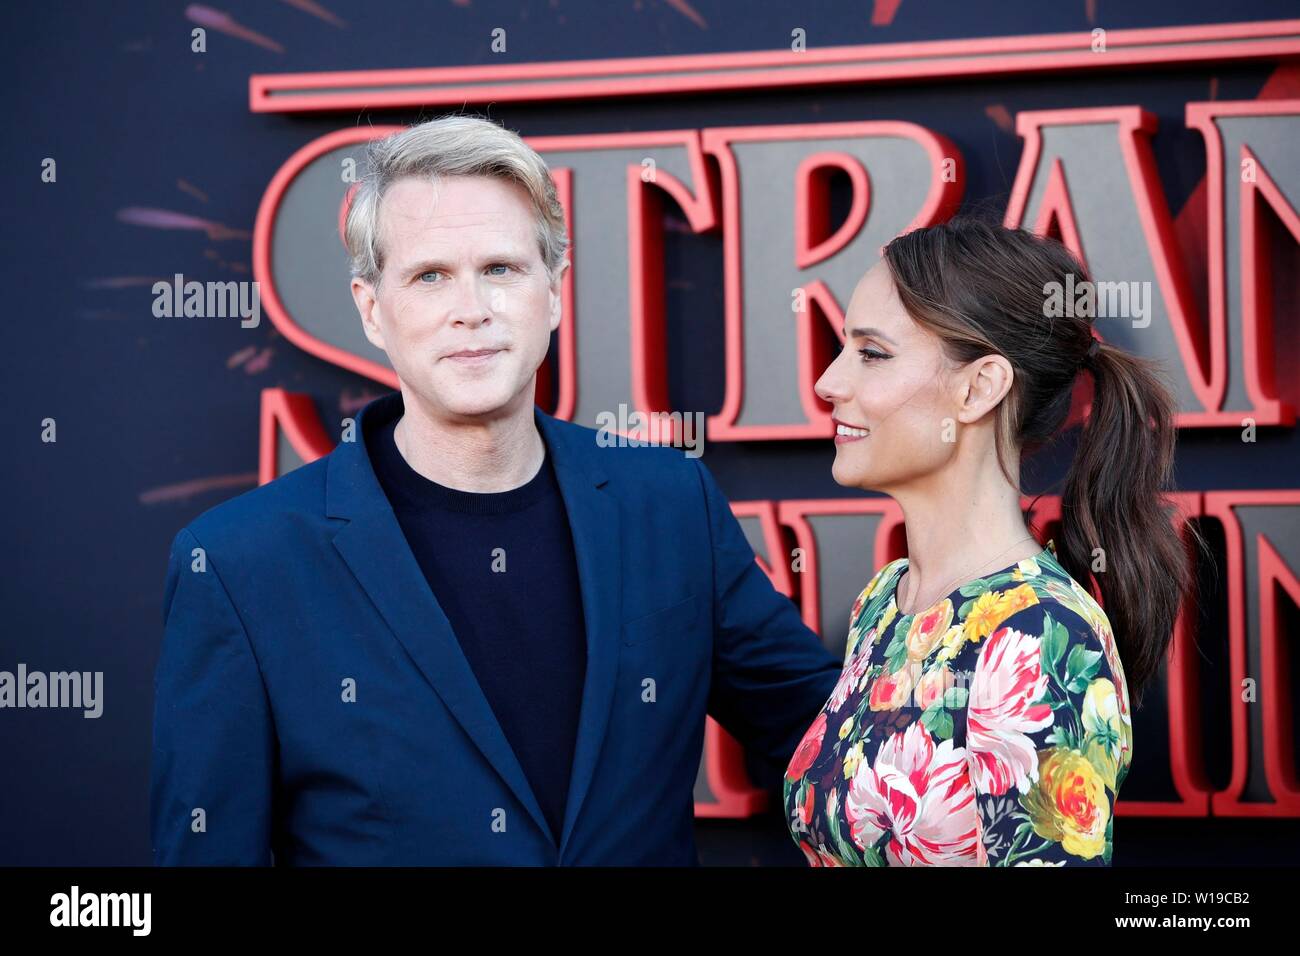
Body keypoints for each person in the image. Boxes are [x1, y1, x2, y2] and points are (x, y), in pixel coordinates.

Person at [151, 114, 841, 865]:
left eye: (502, 270)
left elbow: (832, 741)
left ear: (554, 291)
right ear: (372, 309)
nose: (471, 309)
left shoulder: (669, 505)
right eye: (430, 276)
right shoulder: (242, 564)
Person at [784, 218, 1195, 866]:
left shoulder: (1040, 637)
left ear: (979, 387)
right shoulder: (885, 603)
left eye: (872, 354)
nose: (829, 383)